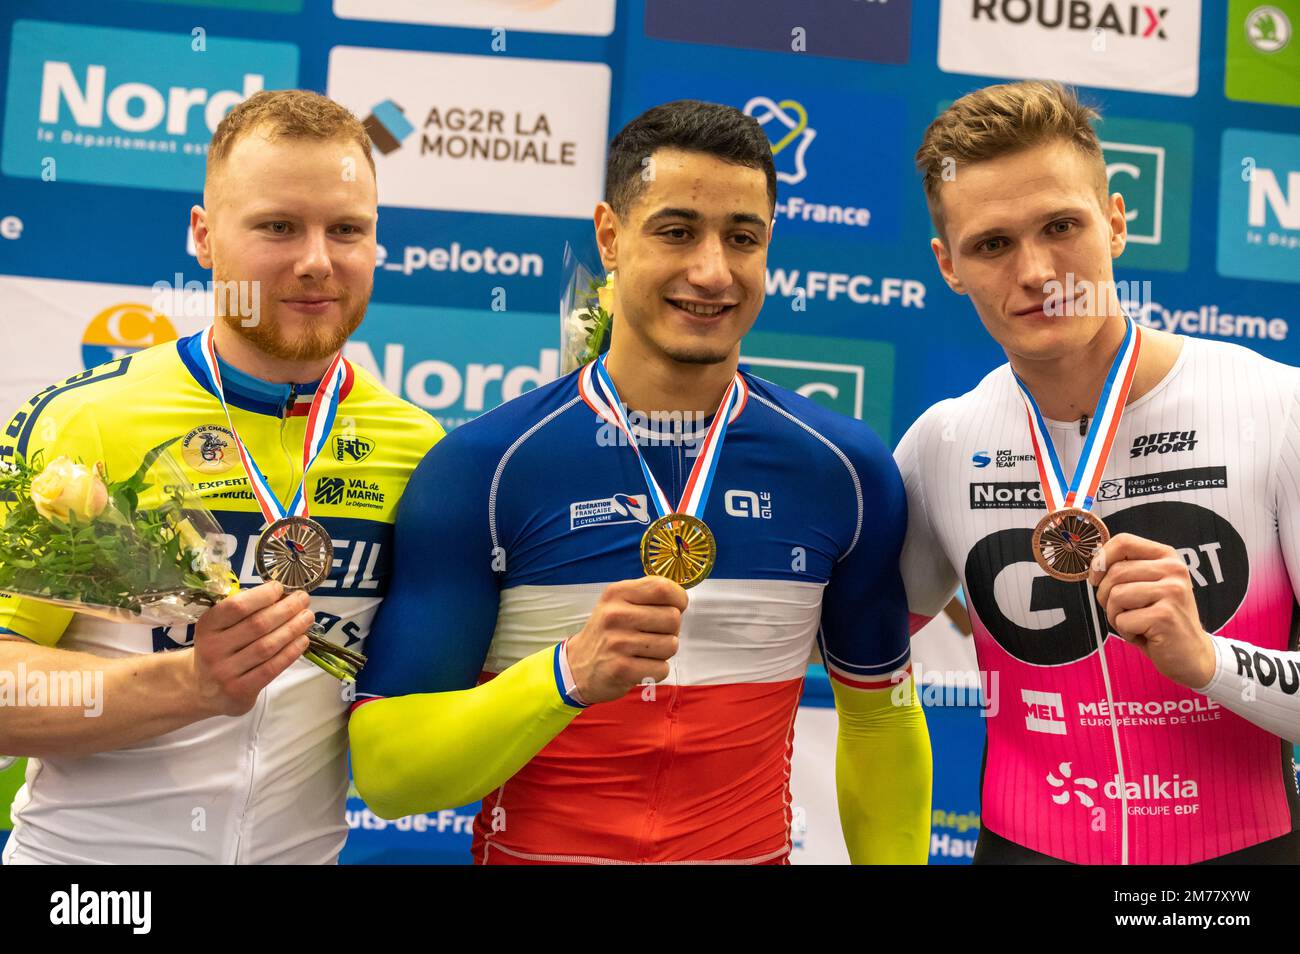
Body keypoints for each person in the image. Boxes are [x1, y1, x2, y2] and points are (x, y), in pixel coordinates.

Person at [349, 99, 931, 865]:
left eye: (743, 238)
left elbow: (880, 722)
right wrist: (563, 678)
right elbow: (390, 775)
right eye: (678, 231)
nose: (712, 271)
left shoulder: (843, 471)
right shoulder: (486, 470)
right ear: (611, 236)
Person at [0, 89, 446, 863]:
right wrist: (188, 685)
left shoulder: (418, 446)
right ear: (204, 236)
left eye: (346, 229)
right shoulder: (85, 423)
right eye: (278, 226)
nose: (316, 260)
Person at [900, 80, 1300, 864]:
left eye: (1062, 226)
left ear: (1116, 221)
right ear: (950, 265)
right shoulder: (942, 444)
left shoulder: (1275, 406)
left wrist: (1210, 662)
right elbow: (837, 650)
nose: (1039, 270)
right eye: (993, 244)